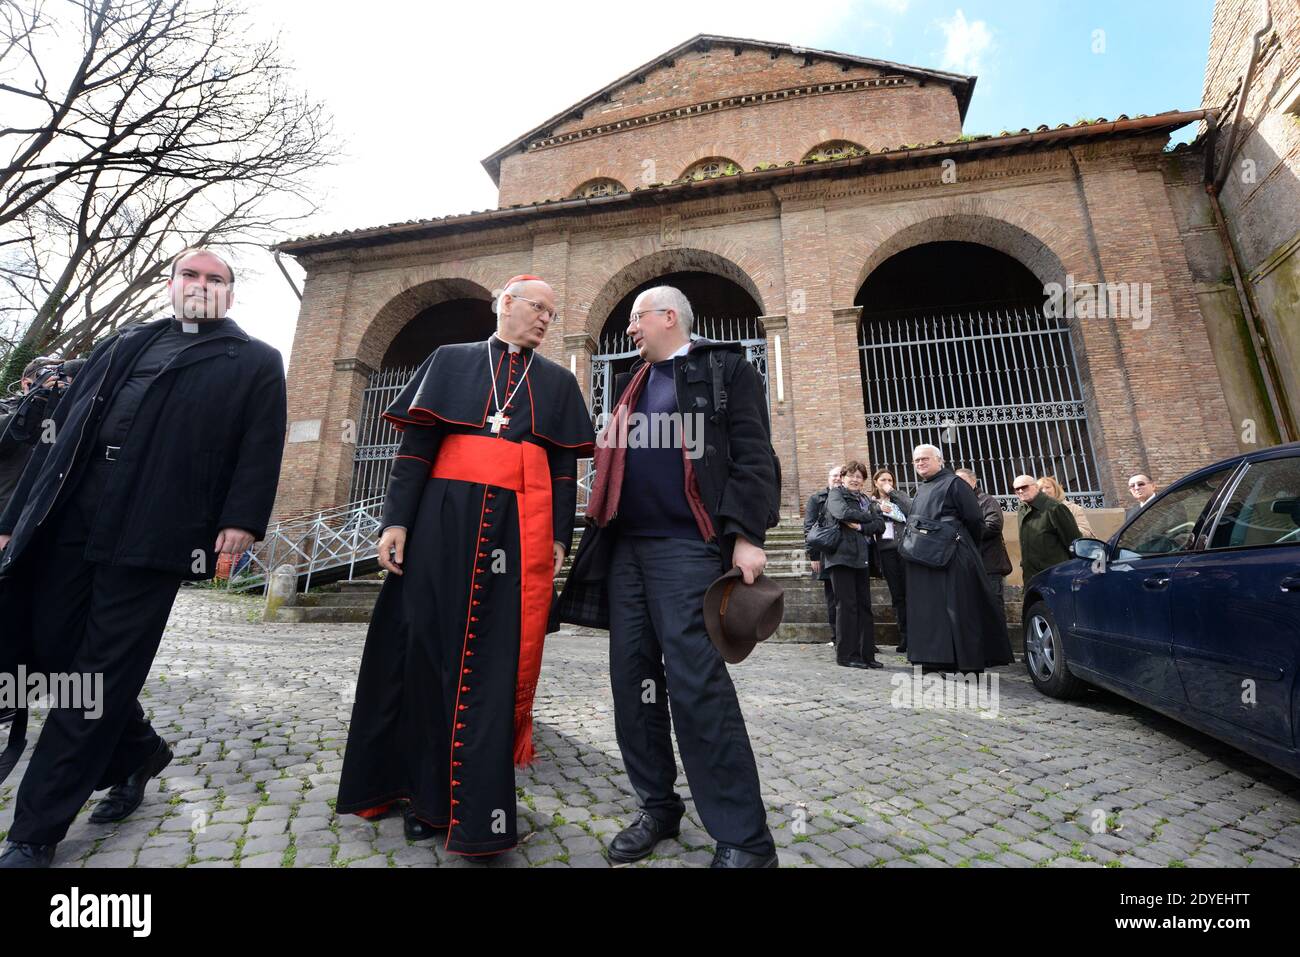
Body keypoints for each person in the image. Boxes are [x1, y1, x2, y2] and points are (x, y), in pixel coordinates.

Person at [0, 247, 287, 868]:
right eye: (191, 274)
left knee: (99, 674)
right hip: (73, 517)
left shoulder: (255, 362)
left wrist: (239, 522)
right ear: (171, 283)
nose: (202, 285)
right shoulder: (122, 343)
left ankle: (35, 829)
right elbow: (64, 435)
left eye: (216, 279)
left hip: (158, 529)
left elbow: (260, 446)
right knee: (52, 652)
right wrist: (12, 521)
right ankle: (138, 752)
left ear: (231, 296)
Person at [335, 275, 595, 860]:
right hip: (440, 526)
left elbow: (561, 469)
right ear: (505, 303)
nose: (546, 320)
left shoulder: (553, 380)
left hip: (516, 528)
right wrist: (396, 522)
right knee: (424, 652)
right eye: (538, 308)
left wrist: (557, 534)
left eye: (554, 313)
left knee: (489, 664)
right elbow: (415, 450)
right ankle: (419, 794)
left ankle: (476, 806)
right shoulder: (450, 360)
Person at [559, 284, 780, 868]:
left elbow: (755, 455)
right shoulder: (630, 380)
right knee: (633, 683)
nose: (629, 330)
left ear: (667, 317)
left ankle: (745, 840)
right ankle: (657, 807)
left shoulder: (725, 367)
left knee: (697, 686)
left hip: (689, 547)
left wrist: (748, 534)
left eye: (635, 319)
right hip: (624, 549)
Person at [902, 445, 1012, 674]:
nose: (920, 463)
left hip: (953, 555)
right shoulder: (920, 490)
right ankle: (933, 660)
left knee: (960, 609)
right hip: (925, 558)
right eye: (916, 461)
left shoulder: (955, 483)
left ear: (939, 460)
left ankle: (968, 664)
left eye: (925, 459)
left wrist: (959, 545)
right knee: (931, 611)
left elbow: (974, 519)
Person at [0, 357, 84, 515]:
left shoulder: (52, 423)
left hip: (22, 519)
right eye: (53, 378)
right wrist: (34, 401)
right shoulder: (4, 408)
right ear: (26, 383)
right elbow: (5, 440)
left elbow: (47, 449)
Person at [823, 461, 885, 669]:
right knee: (846, 607)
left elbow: (881, 525)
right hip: (841, 557)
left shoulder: (865, 499)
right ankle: (846, 655)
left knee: (864, 607)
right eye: (852, 475)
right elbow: (842, 513)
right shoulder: (836, 494)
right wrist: (869, 518)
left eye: (860, 476)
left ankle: (867, 655)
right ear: (843, 477)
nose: (856, 479)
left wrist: (860, 525)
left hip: (862, 557)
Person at [955, 468, 1012, 643]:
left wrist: (965, 532)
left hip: (990, 564)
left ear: (974, 481)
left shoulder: (986, 500)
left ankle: (999, 647)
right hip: (971, 564)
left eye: (963, 481)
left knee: (993, 606)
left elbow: (994, 525)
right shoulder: (960, 503)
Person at [868, 468, 910, 653]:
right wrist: (878, 507)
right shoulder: (870, 502)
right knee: (898, 596)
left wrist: (893, 492)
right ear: (875, 483)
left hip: (906, 550)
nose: (887, 482)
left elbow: (911, 509)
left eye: (890, 479)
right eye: (883, 479)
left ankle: (919, 635)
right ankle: (906, 636)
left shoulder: (899, 498)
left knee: (912, 594)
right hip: (886, 552)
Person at [1015, 473, 1082, 583]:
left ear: (1035, 487)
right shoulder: (1022, 509)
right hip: (1031, 575)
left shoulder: (1055, 508)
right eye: (1017, 489)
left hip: (1054, 574)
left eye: (1024, 487)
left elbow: (1072, 541)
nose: (1021, 491)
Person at [804, 466, 842, 636]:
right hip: (825, 554)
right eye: (834, 475)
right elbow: (809, 528)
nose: (837, 478)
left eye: (841, 475)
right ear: (828, 478)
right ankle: (837, 636)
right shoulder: (816, 498)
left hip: (847, 553)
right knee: (832, 598)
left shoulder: (849, 496)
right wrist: (813, 555)